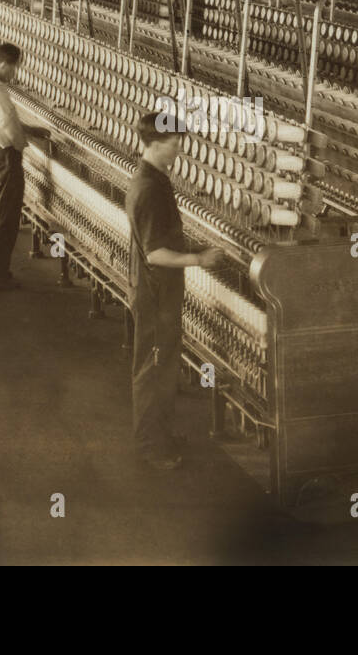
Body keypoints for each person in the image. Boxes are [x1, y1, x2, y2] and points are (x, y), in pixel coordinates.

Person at [125, 112, 224, 470]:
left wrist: (189, 243)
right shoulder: (150, 188)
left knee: (163, 367)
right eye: (174, 142)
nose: (179, 148)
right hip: (155, 294)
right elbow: (155, 253)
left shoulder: (155, 179)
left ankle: (161, 433)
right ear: (155, 143)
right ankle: (152, 447)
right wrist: (199, 259)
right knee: (153, 371)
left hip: (159, 291)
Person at [0, 43, 50, 291]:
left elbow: (2, 120)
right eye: (14, 68)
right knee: (3, 216)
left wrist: (30, 129)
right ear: (4, 64)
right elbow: (8, 127)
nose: (14, 74)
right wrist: (22, 142)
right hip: (2, 158)